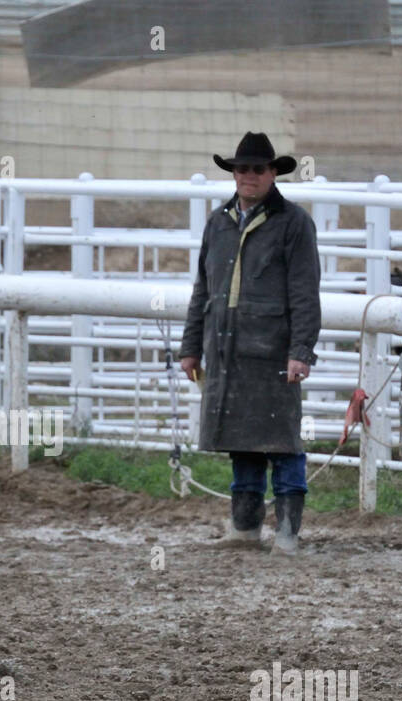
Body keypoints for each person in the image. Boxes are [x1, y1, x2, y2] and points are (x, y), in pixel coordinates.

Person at [178, 132, 321, 555]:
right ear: (234, 173)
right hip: (225, 348)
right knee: (241, 440)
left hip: (273, 349)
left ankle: (287, 532)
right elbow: (202, 289)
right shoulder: (218, 222)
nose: (249, 176)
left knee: (283, 441)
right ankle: (244, 529)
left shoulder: (294, 223)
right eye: (242, 169)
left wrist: (300, 351)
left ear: (273, 173)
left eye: (258, 169)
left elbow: (304, 293)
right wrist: (191, 346)